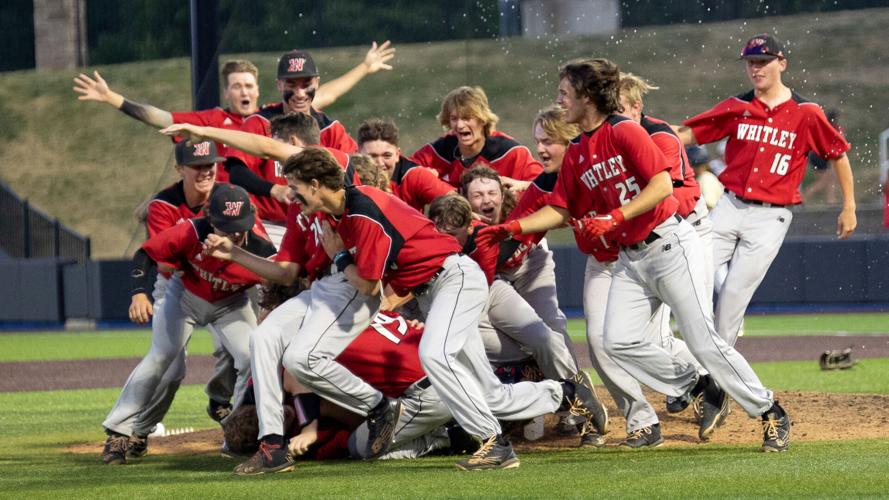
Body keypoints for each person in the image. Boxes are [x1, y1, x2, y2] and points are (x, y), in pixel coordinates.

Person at [485, 57, 791, 452]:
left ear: (587, 96)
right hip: (631, 257)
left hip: (668, 244)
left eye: (565, 93)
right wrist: (513, 227)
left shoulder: (625, 131)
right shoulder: (578, 149)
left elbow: (662, 185)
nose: (560, 101)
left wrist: (616, 216)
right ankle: (695, 385)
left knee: (704, 342)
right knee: (613, 343)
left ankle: (770, 412)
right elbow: (561, 208)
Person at [273, 147, 607, 470]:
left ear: (317, 185)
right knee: (489, 395)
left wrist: (341, 257)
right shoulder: (347, 213)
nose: (291, 195)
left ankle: (495, 446)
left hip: (451, 278)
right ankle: (568, 392)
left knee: (435, 357)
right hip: (437, 288)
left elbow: (368, 285)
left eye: (296, 187)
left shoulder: (362, 209)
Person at [675, 34, 856, 351]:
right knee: (687, 274)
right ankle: (690, 362)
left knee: (732, 297)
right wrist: (644, 132)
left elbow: (838, 154)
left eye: (762, 61)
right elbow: (687, 133)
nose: (755, 68)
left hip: (771, 216)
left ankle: (718, 380)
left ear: (781, 63)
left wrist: (849, 206)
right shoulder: (738, 107)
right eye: (750, 62)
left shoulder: (807, 112)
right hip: (730, 205)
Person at [102, 184, 275, 465]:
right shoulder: (192, 231)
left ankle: (238, 431)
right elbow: (145, 254)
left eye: (240, 226)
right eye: (226, 227)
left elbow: (282, 278)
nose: (234, 234)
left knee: (251, 356)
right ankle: (120, 432)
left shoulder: (260, 247)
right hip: (185, 296)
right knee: (164, 359)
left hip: (232, 302)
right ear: (210, 220)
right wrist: (138, 292)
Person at [123, 140, 242, 460]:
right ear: (180, 170)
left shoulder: (228, 196)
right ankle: (139, 430)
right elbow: (164, 263)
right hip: (176, 286)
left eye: (210, 164)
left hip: (223, 286)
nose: (206, 171)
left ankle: (221, 402)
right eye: (197, 166)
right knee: (170, 367)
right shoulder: (163, 204)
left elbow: (247, 236)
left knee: (241, 351)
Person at [412, 86, 543, 187]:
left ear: (483, 119)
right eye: (454, 118)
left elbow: (546, 187)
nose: (460, 125)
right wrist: (423, 176)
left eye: (467, 118)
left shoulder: (511, 153)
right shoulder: (440, 150)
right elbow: (400, 170)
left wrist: (522, 186)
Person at [357, 118, 455, 211]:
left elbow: (458, 204)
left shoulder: (416, 176)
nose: (379, 163)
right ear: (358, 154)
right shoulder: (348, 176)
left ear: (397, 155)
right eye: (372, 156)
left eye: (387, 155)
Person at [802, 108, 842, 204]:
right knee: (825, 180)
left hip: (816, 155)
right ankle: (804, 196)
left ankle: (830, 199)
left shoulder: (823, 126)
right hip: (821, 156)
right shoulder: (834, 128)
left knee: (830, 177)